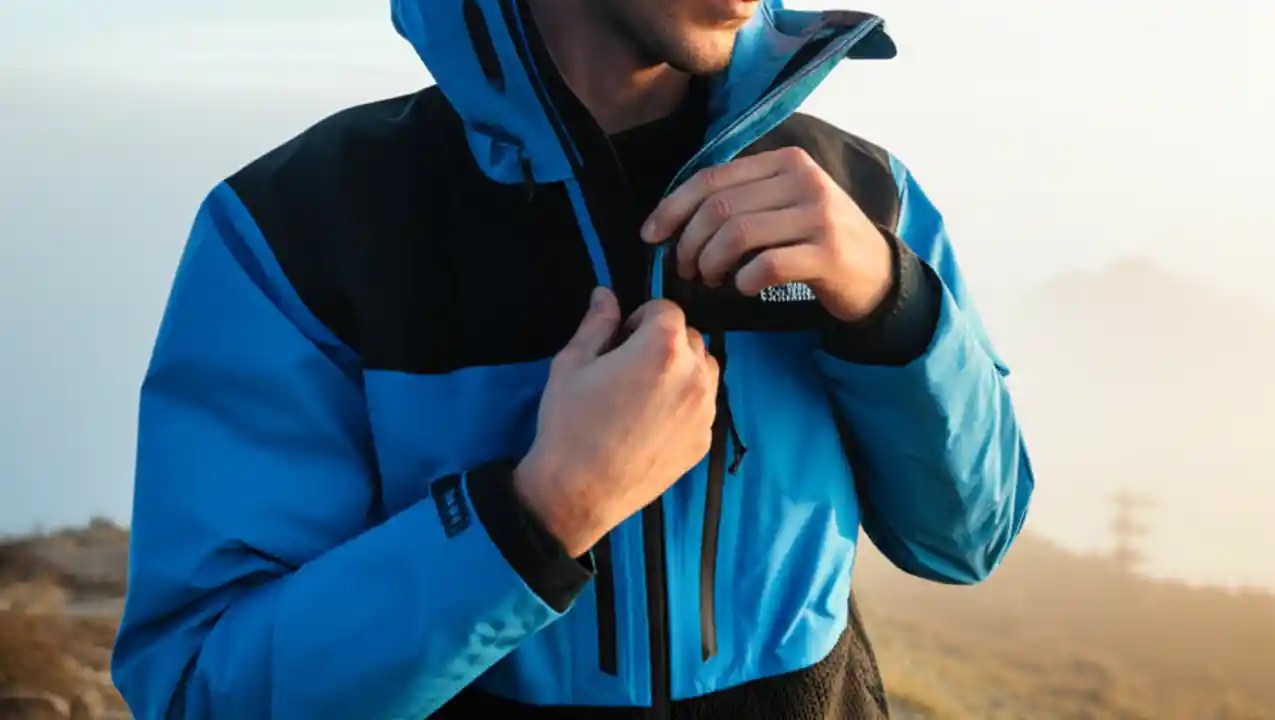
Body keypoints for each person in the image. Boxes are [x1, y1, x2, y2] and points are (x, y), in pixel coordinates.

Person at [111, 0, 1035, 718]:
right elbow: (202, 687)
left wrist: (890, 302)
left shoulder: (860, 194)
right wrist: (536, 516)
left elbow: (967, 538)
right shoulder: (299, 230)